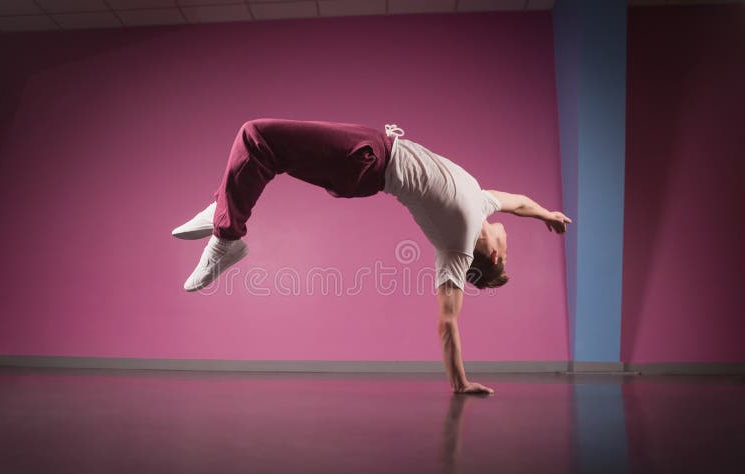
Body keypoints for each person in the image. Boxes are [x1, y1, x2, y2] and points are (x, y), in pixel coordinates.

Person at [172, 118, 572, 395]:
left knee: (256, 136)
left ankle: (227, 236)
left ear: (496, 258)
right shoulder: (482, 204)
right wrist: (546, 214)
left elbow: (448, 323)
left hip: (368, 161)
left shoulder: (458, 243)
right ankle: (226, 209)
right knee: (264, 149)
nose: (509, 237)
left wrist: (460, 383)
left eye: (510, 251)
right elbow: (517, 202)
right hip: (374, 149)